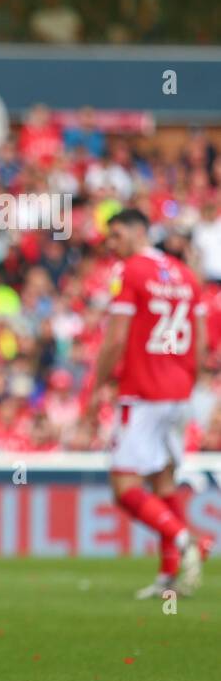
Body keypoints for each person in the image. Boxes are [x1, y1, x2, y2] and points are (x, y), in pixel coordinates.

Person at [83, 208, 208, 598]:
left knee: (124, 486)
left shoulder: (131, 271)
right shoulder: (186, 274)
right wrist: (187, 381)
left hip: (141, 394)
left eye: (116, 234)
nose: (111, 243)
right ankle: (170, 576)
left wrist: (96, 387)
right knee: (163, 480)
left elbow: (117, 338)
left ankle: (187, 539)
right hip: (179, 394)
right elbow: (202, 341)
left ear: (139, 233)